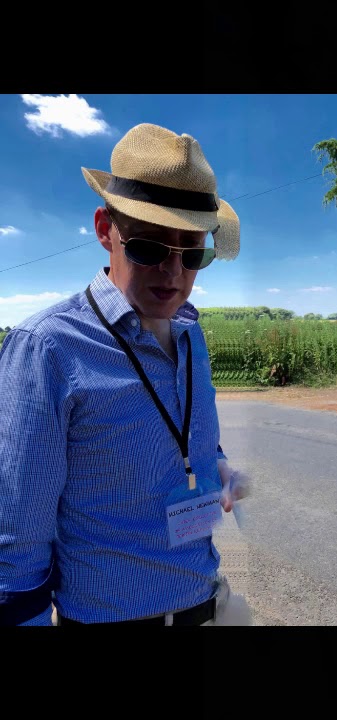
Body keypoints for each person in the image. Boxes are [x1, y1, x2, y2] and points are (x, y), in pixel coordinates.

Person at [0, 121, 250, 626]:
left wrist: (218, 466)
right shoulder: (48, 348)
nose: (174, 273)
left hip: (208, 602)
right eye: (149, 247)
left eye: (192, 251)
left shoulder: (190, 334)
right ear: (104, 229)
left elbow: (190, 437)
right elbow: (16, 539)